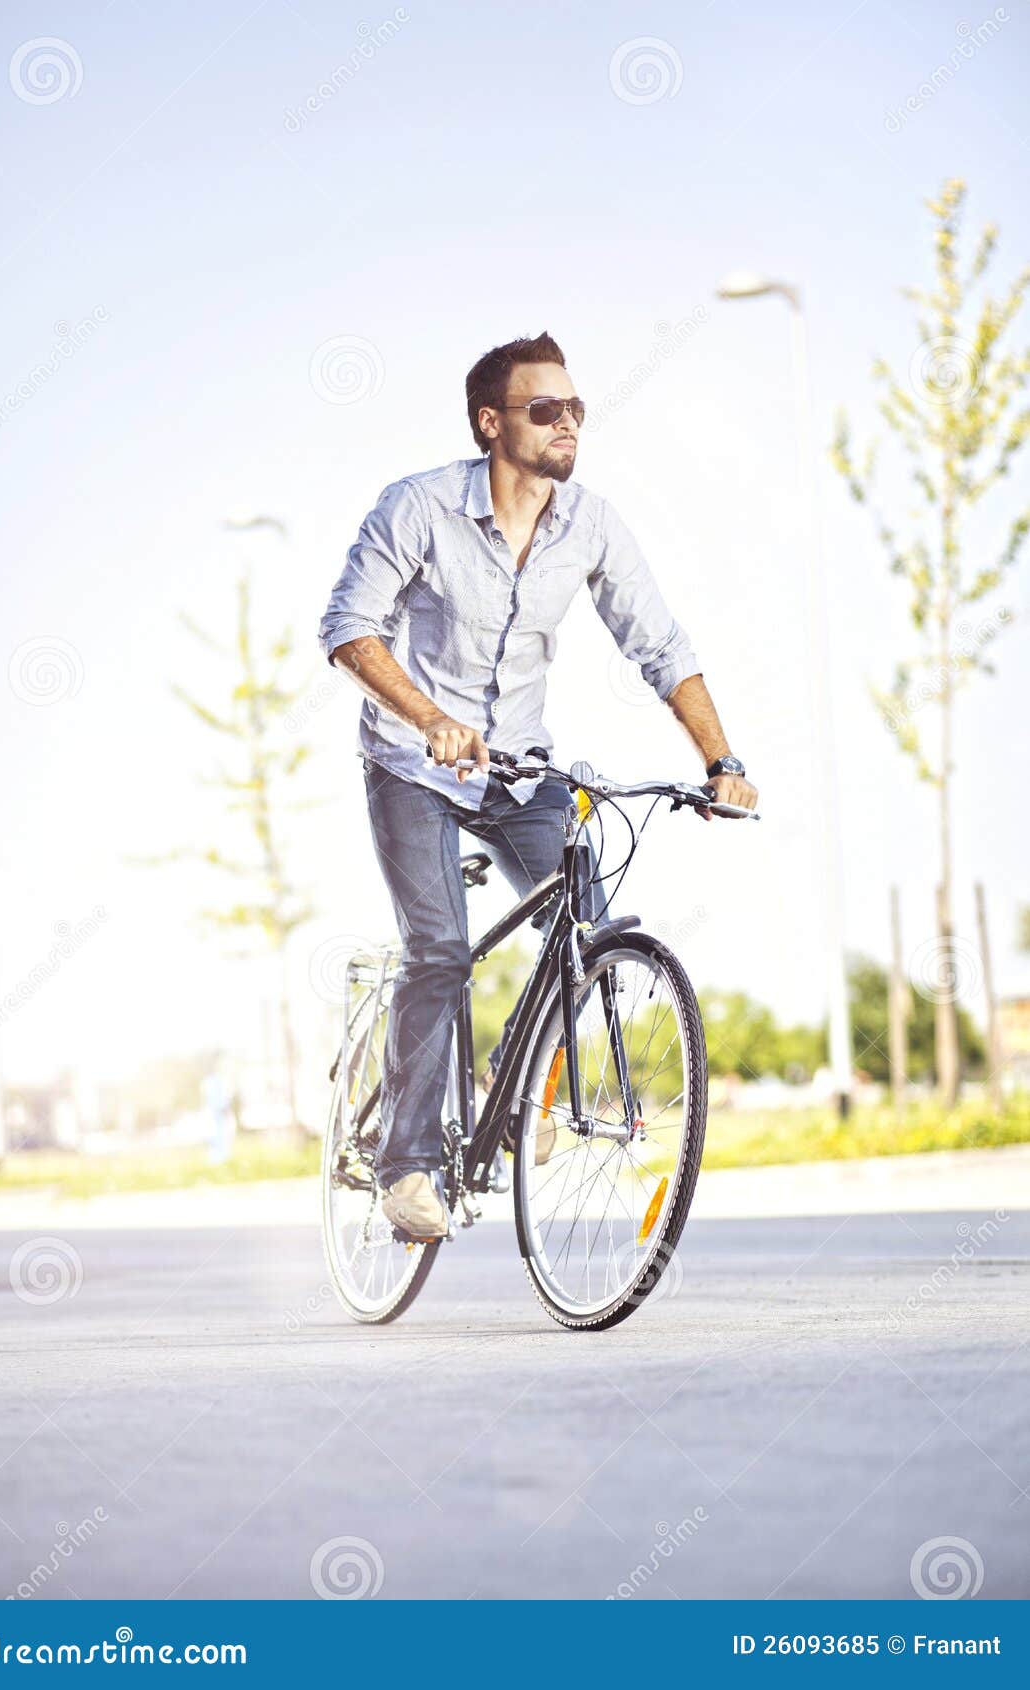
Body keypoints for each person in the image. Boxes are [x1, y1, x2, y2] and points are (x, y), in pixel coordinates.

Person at [319, 331, 758, 1241]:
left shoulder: (588, 522)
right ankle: (404, 1169)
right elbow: (349, 631)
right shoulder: (419, 507)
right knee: (439, 947)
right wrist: (426, 718)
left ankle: (510, 1093)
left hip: (520, 768)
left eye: (575, 410)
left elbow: (661, 648)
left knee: (587, 925)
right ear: (491, 423)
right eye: (543, 409)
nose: (566, 425)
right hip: (412, 767)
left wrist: (721, 762)